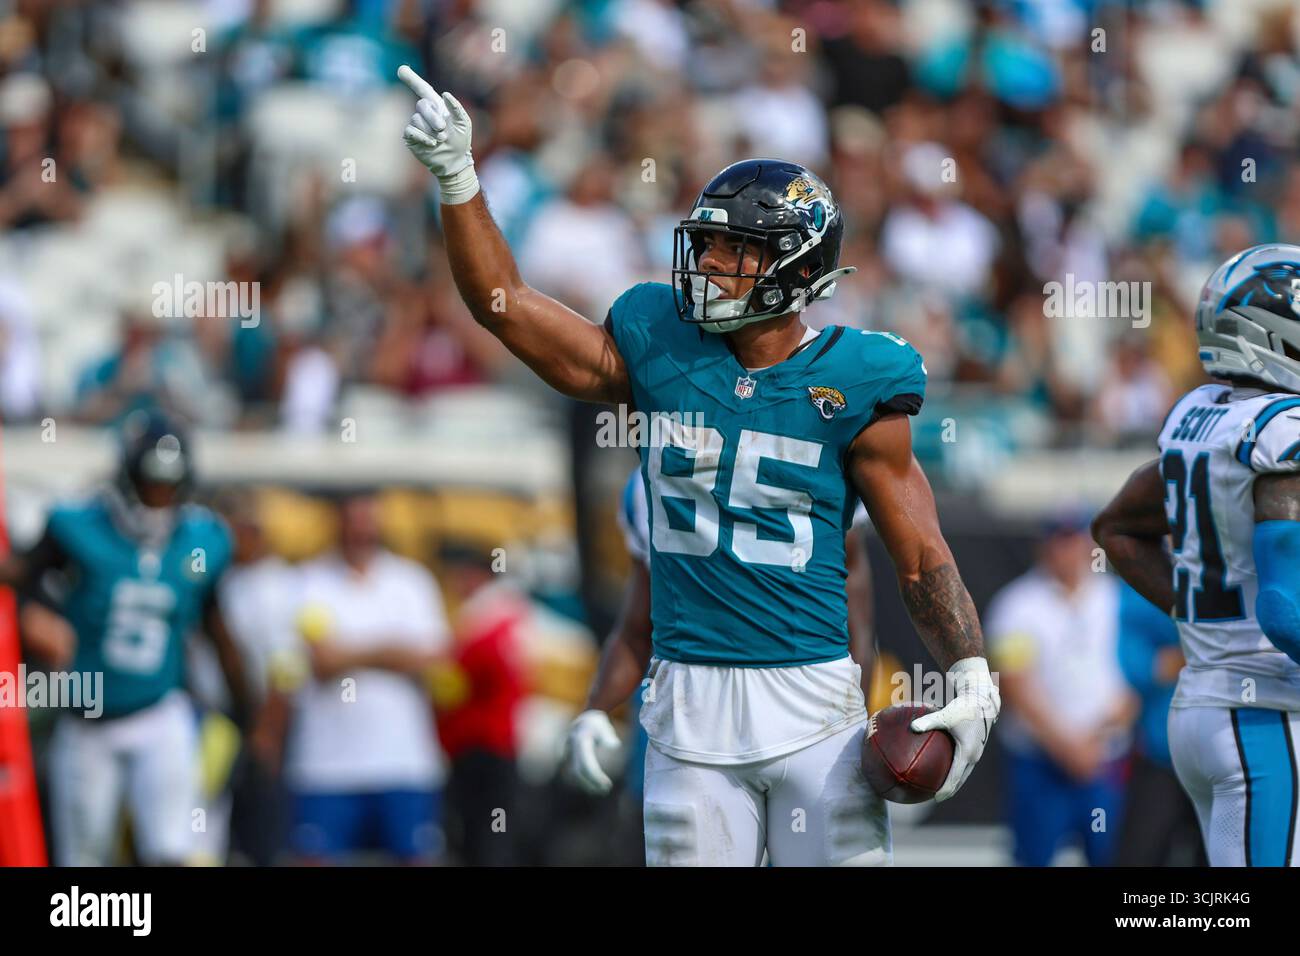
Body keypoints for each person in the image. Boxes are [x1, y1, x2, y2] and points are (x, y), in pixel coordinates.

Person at [397, 66, 999, 866]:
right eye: (707, 241)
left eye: (734, 248)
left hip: (815, 708)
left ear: (794, 269)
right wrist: (459, 179)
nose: (708, 261)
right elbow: (501, 303)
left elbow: (918, 556)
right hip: (686, 712)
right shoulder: (657, 340)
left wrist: (970, 672)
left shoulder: (857, 378)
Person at [1094, 243, 1300, 867]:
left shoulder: (1200, 415)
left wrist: (1197, 613)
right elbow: (1286, 608)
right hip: (1263, 714)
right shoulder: (1280, 430)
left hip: (1202, 708)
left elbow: (1117, 528)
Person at [0, 411, 250, 865]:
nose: (159, 498)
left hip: (161, 713)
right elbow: (15, 580)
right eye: (150, 483)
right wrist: (30, 616)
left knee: (171, 850)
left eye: (169, 486)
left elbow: (216, 625)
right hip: (86, 718)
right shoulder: (76, 527)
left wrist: (244, 713)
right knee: (84, 860)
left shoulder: (200, 541)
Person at [284, 491, 450, 865]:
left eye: (368, 521)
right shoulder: (306, 581)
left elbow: (434, 659)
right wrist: (391, 650)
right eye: (353, 521)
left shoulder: (411, 581)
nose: (361, 531)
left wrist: (350, 652)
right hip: (325, 765)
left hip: (404, 763)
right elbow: (320, 662)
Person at [985, 513, 1137, 866]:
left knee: (1112, 856)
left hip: (1104, 761)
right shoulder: (1017, 604)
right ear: (1044, 545)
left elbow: (1138, 675)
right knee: (1033, 857)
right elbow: (1014, 683)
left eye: (1074, 538)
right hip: (1040, 761)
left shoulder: (1117, 599)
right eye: (1059, 538)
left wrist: (1093, 741)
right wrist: (1068, 747)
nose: (1066, 549)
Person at [1113, 579, 1206, 866]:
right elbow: (1138, 667)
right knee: (1140, 854)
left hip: (1221, 755)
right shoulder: (1136, 590)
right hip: (1159, 756)